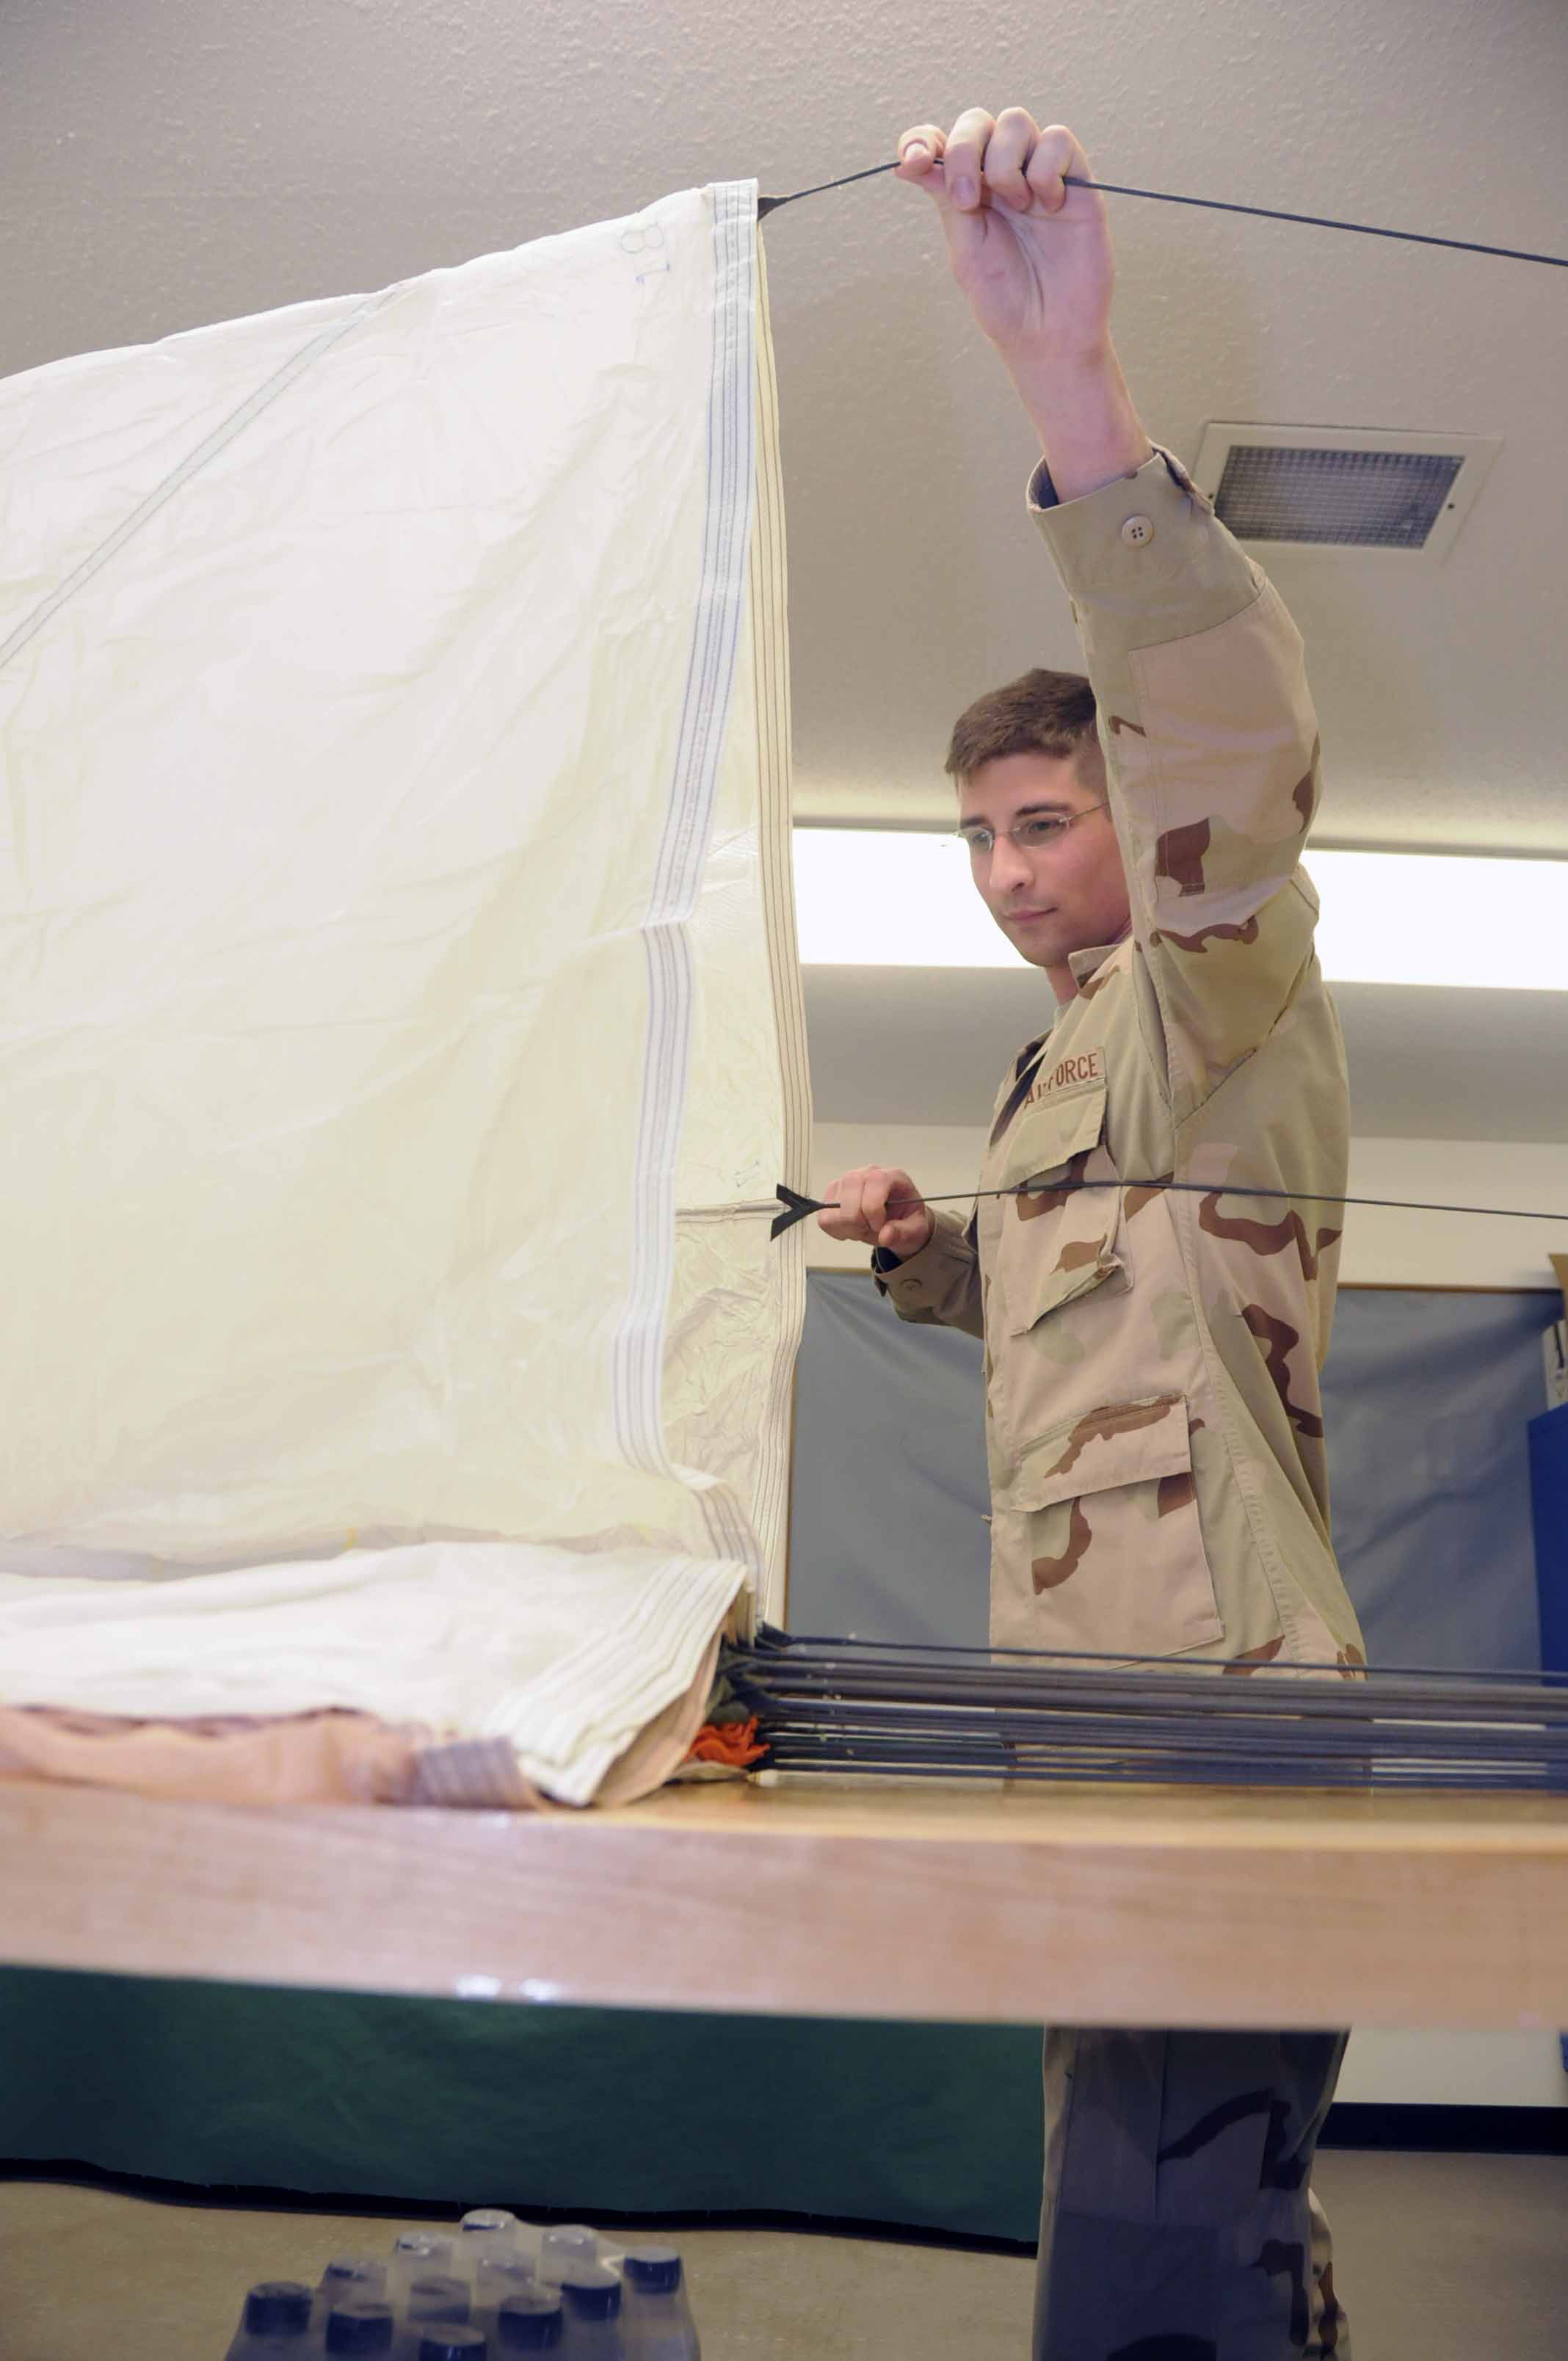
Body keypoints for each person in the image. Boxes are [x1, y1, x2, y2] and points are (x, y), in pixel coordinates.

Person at [817, 108, 1365, 2360]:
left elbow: (1221, 733)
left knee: (1145, 2262)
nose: (1009, 866)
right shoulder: (1065, 1069)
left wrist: (1076, 400)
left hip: (1201, 1704)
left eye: (1049, 820)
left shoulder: (1210, 989)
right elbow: (1110, 1324)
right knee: (1164, 2194)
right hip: (1099, 1695)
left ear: (1131, 827)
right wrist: (937, 1259)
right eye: (976, 836)